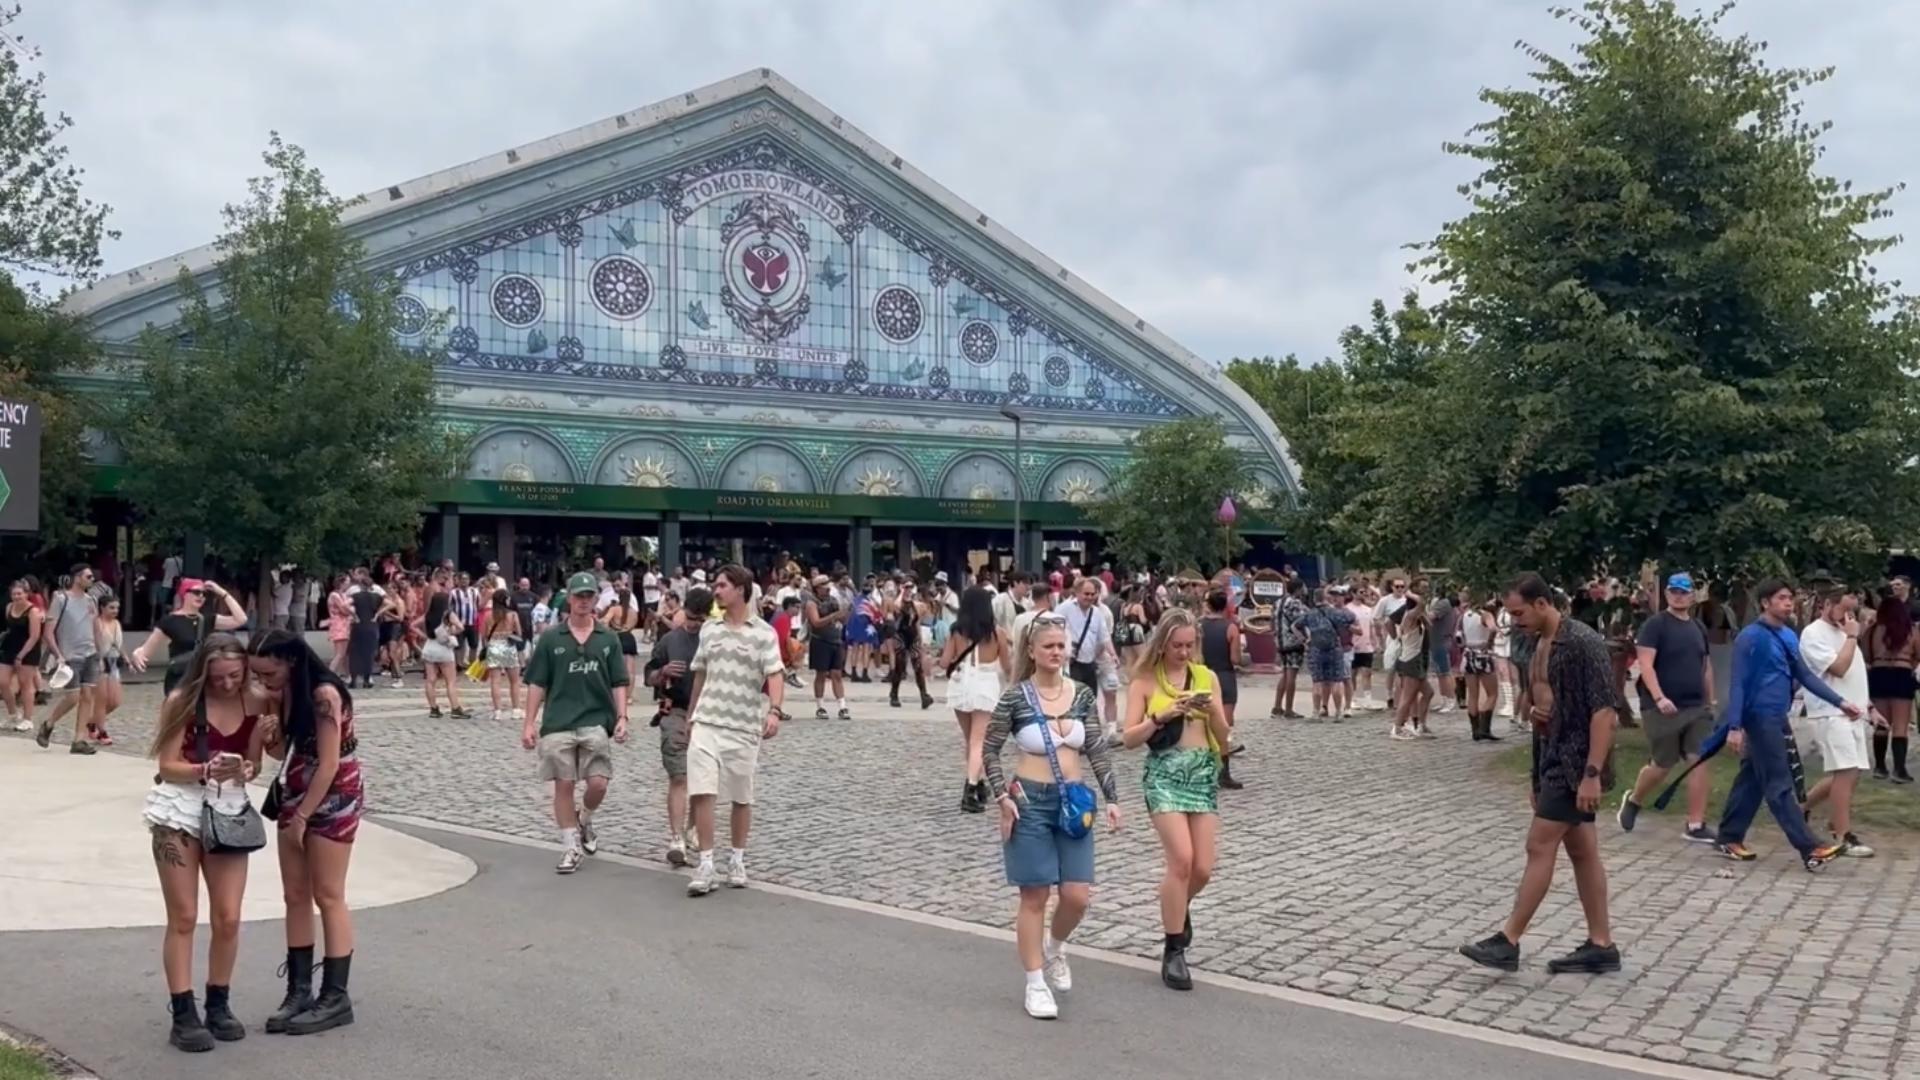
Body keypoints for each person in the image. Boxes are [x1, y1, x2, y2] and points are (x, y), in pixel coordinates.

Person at [1460, 573, 1620, 974]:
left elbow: (1604, 711)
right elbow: (1542, 710)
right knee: (1582, 851)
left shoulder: (1583, 642)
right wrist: (1536, 772)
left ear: (1542, 603)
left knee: (1539, 845)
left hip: (1575, 763)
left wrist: (1591, 773)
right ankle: (1601, 944)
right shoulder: (1537, 644)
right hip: (1552, 759)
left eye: (1519, 613)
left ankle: (1509, 939)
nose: (1515, 621)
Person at [981, 614, 1123, 1019]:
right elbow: (989, 749)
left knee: (1077, 896)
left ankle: (1056, 946)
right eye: (1049, 646)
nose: (1057, 652)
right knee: (1035, 895)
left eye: (1062, 646)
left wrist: (1111, 798)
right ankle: (1035, 983)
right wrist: (1000, 796)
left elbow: (1095, 747)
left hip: (1074, 801)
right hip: (1029, 801)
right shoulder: (1016, 697)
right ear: (1031, 650)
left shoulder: (1081, 694)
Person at [141, 633, 262, 1052]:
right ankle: (182, 1011)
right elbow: (167, 765)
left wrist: (245, 768)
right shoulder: (182, 701)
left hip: (228, 806)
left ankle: (219, 1001)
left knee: (228, 916)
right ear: (202, 674)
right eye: (217, 677)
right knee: (184, 915)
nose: (226, 684)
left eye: (234, 675)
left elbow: (256, 762)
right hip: (178, 808)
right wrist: (203, 769)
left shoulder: (257, 701)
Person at [250, 628, 364, 1036]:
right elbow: (286, 753)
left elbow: (329, 764)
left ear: (292, 661)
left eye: (269, 673)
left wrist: (302, 817)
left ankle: (335, 994)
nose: (264, 682)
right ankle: (299, 990)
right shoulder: (283, 694)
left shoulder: (324, 695)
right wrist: (270, 739)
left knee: (328, 894)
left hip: (333, 793)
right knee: (294, 893)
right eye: (257, 675)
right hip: (295, 787)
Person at [1120, 607, 1230, 992]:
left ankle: (1176, 905)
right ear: (1162, 644)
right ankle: (1174, 948)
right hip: (1164, 775)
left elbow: (1225, 737)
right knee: (1181, 859)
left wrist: (1212, 711)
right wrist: (1162, 715)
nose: (1184, 653)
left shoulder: (1206, 677)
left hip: (1201, 772)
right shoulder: (1145, 681)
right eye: (1177, 646)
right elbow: (1129, 738)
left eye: (1189, 645)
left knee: (1203, 868)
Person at [1710, 579, 1855, 869]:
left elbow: (1805, 675)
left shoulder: (1789, 636)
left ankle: (1728, 837)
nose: (1789, 603)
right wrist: (1735, 726)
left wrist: (1840, 702)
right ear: (1765, 603)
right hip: (1759, 717)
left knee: (1752, 779)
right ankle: (1810, 847)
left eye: (1790, 598)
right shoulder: (1750, 637)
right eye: (1781, 598)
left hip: (1778, 716)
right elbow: (1738, 683)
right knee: (1779, 783)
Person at [684, 564, 787, 897]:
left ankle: (737, 860)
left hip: (743, 726)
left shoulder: (764, 633)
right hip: (707, 722)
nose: (716, 591)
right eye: (715, 585)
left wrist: (774, 710)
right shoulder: (709, 630)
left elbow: (775, 674)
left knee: (741, 797)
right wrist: (691, 714)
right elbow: (700, 674)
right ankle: (706, 863)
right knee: (703, 792)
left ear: (741, 590)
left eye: (722, 585)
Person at [522, 572, 631, 875]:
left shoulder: (607, 638)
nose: (584, 601)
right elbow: (537, 683)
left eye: (589, 596)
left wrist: (622, 716)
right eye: (578, 596)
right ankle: (570, 846)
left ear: (596, 599)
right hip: (558, 721)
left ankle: (585, 818)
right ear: (568, 598)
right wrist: (529, 722)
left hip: (596, 720)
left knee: (598, 783)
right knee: (564, 783)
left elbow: (619, 681)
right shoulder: (551, 638)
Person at [1616, 573, 1716, 840]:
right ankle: (1635, 799)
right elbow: (1646, 664)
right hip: (1661, 708)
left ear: (1693, 596)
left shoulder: (1698, 628)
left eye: (1684, 592)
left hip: (1696, 707)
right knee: (1663, 764)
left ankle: (1695, 825)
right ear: (1667, 594)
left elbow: (1705, 666)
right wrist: (1660, 697)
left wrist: (1711, 700)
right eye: (1674, 591)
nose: (1679, 596)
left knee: (1698, 760)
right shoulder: (1655, 625)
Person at [1797, 586, 1879, 857]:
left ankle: (1799, 809)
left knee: (1849, 773)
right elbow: (1838, 669)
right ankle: (1842, 834)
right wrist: (1853, 637)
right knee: (1845, 771)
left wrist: (1869, 706)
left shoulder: (1845, 634)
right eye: (1844, 609)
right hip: (1830, 712)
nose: (1848, 617)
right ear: (1827, 605)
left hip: (1854, 712)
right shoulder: (1813, 634)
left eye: (1852, 611)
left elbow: (1854, 675)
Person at [646, 585, 709, 866]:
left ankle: (693, 827)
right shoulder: (670, 640)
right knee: (679, 776)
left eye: (700, 619)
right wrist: (662, 672)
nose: (694, 624)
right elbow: (648, 675)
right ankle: (676, 838)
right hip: (675, 711)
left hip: (707, 716)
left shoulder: (714, 640)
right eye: (691, 617)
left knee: (702, 778)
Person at [941, 585, 1012, 813]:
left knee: (970, 739)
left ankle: (979, 782)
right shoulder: (997, 633)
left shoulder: (956, 631)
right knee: (979, 740)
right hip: (985, 683)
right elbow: (1007, 666)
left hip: (960, 684)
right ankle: (970, 788)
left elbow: (944, 662)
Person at [35, 564, 103, 755]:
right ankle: (49, 723)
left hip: (90, 653)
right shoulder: (61, 599)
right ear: (77, 577)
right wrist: (58, 655)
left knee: (88, 696)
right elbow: (48, 632)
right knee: (73, 696)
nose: (92, 580)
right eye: (88, 577)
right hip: (70, 655)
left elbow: (95, 627)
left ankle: (79, 740)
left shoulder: (91, 600)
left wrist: (100, 653)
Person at [1864, 590, 1919, 783]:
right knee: (1900, 726)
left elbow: (1867, 655)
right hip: (1902, 675)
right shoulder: (1911, 630)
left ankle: (1880, 767)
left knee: (1881, 724)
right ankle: (1899, 769)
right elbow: (1918, 654)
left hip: (1879, 674)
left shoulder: (1872, 631)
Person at [804, 574, 850, 720]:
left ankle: (842, 706)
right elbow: (816, 622)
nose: (827, 588)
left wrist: (845, 613)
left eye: (828, 584)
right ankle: (820, 706)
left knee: (837, 674)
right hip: (820, 641)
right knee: (821, 674)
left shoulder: (833, 600)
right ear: (817, 588)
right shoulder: (812, 603)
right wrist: (834, 616)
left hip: (835, 640)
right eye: (824, 585)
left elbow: (842, 619)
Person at [1390, 595, 1434, 740]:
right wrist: (1409, 592)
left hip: (1416, 658)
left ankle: (1420, 725)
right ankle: (1397, 728)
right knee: (1407, 697)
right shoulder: (1409, 616)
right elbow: (1421, 602)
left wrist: (1423, 615)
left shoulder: (1418, 618)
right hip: (1410, 660)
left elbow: (1430, 625)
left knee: (1428, 692)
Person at [1460, 597, 1503, 741]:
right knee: (1492, 693)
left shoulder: (1466, 614)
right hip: (1482, 654)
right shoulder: (1485, 615)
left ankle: (1475, 729)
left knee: (1473, 694)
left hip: (1469, 653)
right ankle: (1485, 727)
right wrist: (1490, 640)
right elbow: (1493, 628)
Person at [418, 599, 468, 719]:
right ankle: (455, 708)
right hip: (444, 649)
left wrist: (425, 636)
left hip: (430, 646)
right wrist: (451, 632)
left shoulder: (428, 614)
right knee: (450, 681)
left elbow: (412, 625)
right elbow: (461, 627)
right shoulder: (448, 615)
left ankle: (433, 709)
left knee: (430, 680)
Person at [4, 580, 42, 732]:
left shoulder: (33, 611)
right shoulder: (9, 607)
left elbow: (34, 636)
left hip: (28, 649)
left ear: (26, 594)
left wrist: (21, 655)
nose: (16, 597)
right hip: (9, 647)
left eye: (19, 594)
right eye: (14, 594)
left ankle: (28, 719)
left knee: (25, 684)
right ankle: (13, 714)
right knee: (3, 681)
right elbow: (9, 628)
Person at [482, 588, 525, 721]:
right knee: (514, 681)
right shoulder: (512, 615)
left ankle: (497, 711)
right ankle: (516, 710)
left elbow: (484, 635)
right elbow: (519, 633)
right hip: (508, 646)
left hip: (494, 646)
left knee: (495, 681)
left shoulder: (488, 615)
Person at [94, 597, 127, 745]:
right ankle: (102, 731)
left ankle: (92, 721)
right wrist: (99, 659)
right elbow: (95, 642)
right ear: (102, 608)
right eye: (111, 607)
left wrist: (126, 657)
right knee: (102, 699)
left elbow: (119, 644)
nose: (115, 611)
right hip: (101, 662)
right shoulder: (97, 622)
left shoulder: (116, 623)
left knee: (115, 701)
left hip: (114, 662)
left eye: (117, 608)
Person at [326, 575, 353, 675]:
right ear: (342, 583)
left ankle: (345, 674)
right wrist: (351, 611)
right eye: (347, 581)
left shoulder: (344, 595)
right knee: (340, 653)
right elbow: (343, 610)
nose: (349, 584)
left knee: (344, 653)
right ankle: (330, 673)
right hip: (339, 624)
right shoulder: (334, 595)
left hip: (345, 624)